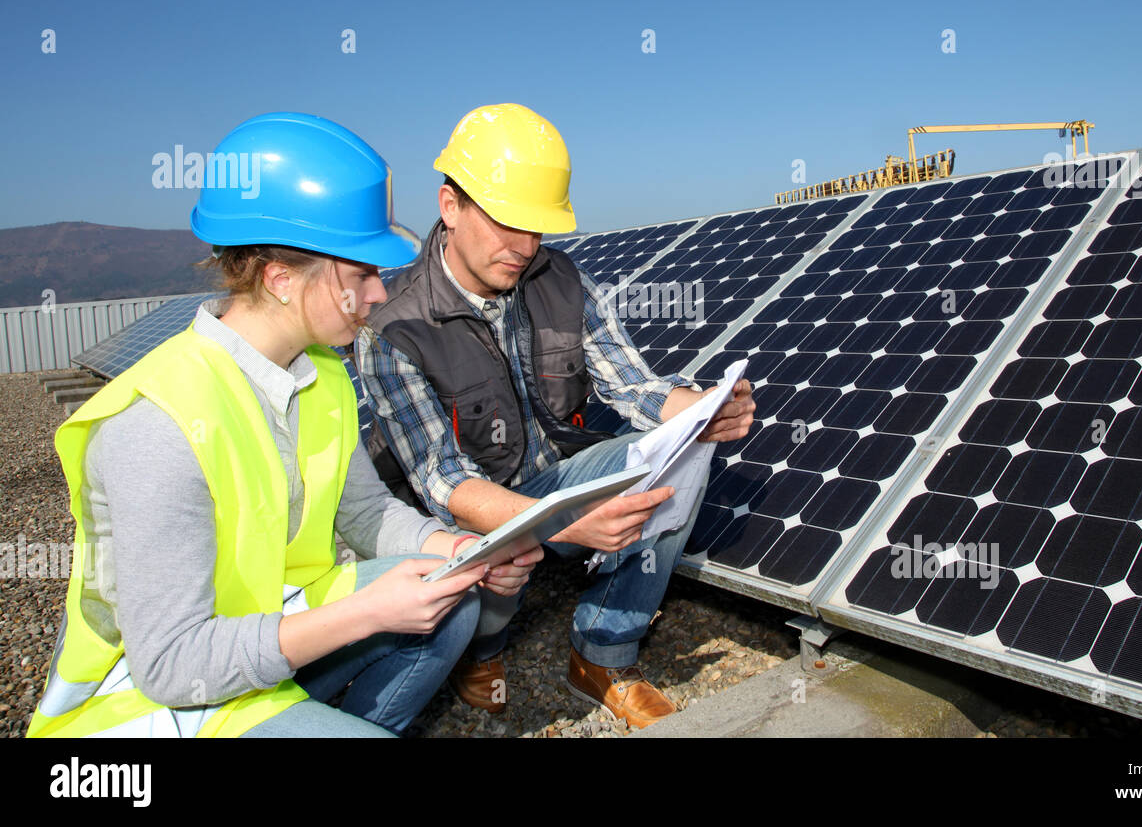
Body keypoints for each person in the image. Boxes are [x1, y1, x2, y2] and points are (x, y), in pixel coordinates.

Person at [27, 111, 541, 739]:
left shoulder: (321, 374)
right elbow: (169, 666)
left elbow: (366, 513)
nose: (380, 294)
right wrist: (365, 614)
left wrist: (462, 550)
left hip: (269, 642)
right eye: (361, 274)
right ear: (280, 281)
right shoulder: (156, 426)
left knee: (450, 592)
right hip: (158, 708)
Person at [357, 103, 755, 729]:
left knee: (680, 451)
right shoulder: (394, 328)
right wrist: (563, 528)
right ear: (450, 206)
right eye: (507, 222)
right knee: (487, 576)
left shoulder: (560, 279)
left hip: (553, 483)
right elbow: (446, 482)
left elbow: (636, 391)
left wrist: (703, 410)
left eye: (538, 228)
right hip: (465, 521)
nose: (524, 247)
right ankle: (479, 650)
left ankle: (602, 652)